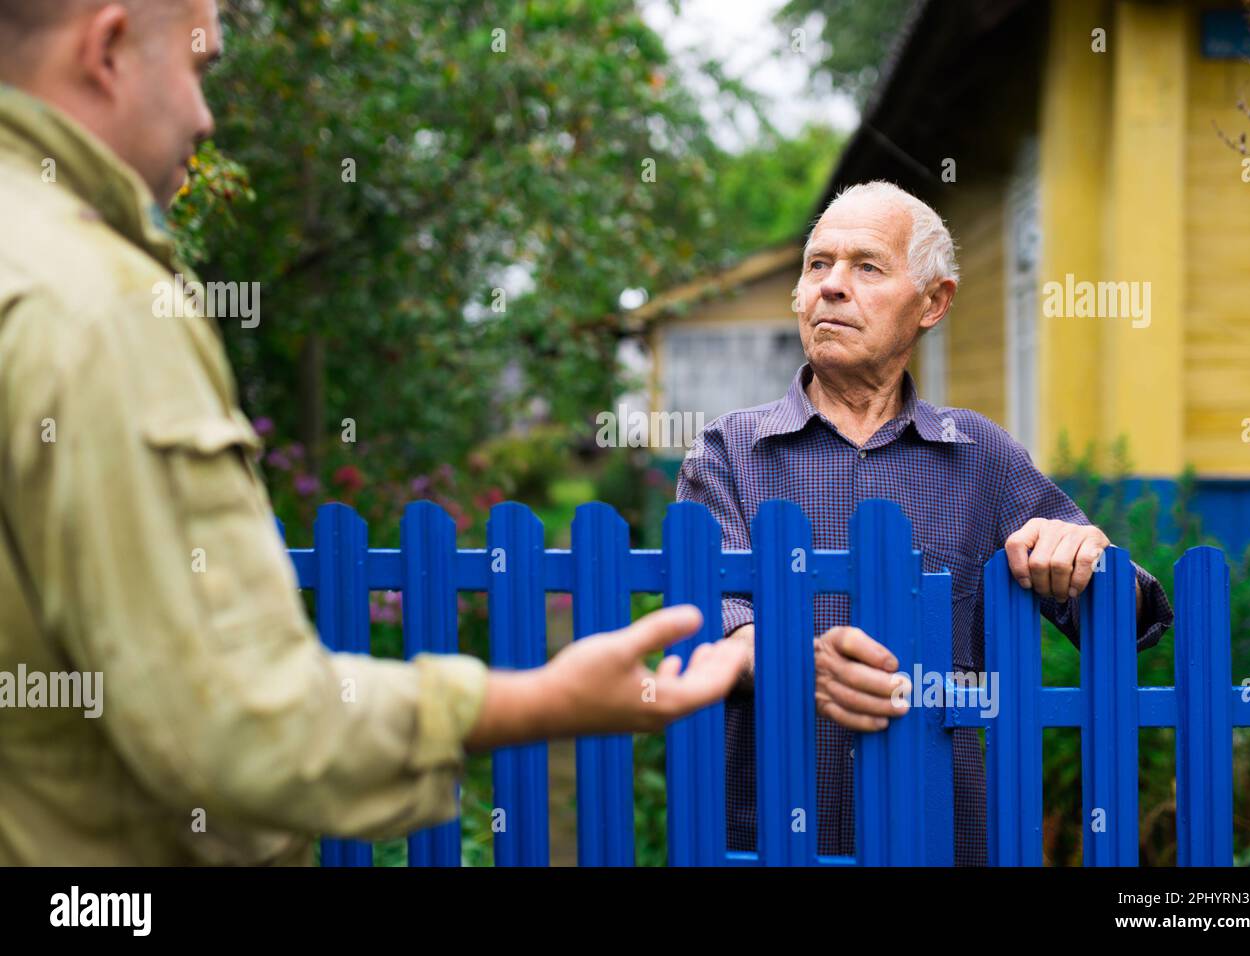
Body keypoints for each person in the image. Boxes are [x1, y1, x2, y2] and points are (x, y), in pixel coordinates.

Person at [0, 0, 746, 865]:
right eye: (202, 66)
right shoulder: (96, 312)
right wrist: (547, 702)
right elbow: (238, 725)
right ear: (110, 48)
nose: (206, 117)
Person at [676, 181, 1174, 864]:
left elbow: (1124, 624)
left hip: (942, 837)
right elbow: (713, 623)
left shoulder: (982, 456)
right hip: (767, 838)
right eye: (818, 264)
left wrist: (1092, 556)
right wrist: (799, 662)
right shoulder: (728, 451)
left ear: (934, 302)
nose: (831, 287)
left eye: (867, 267)